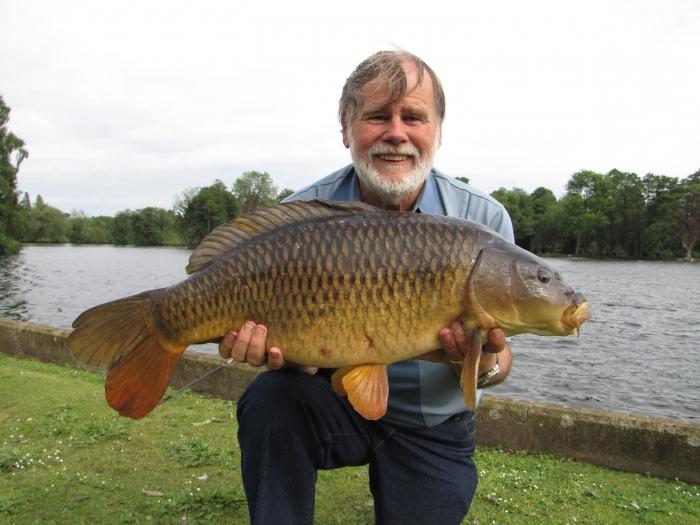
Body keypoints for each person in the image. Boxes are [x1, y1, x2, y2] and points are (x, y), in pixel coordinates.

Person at [219, 50, 515, 525]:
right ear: (346, 128)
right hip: (333, 405)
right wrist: (281, 350)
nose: (396, 133)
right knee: (270, 398)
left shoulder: (484, 222)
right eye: (377, 115)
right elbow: (298, 360)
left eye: (413, 117)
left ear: (437, 130)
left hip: (434, 424)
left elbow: (500, 366)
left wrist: (478, 362)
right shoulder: (302, 217)